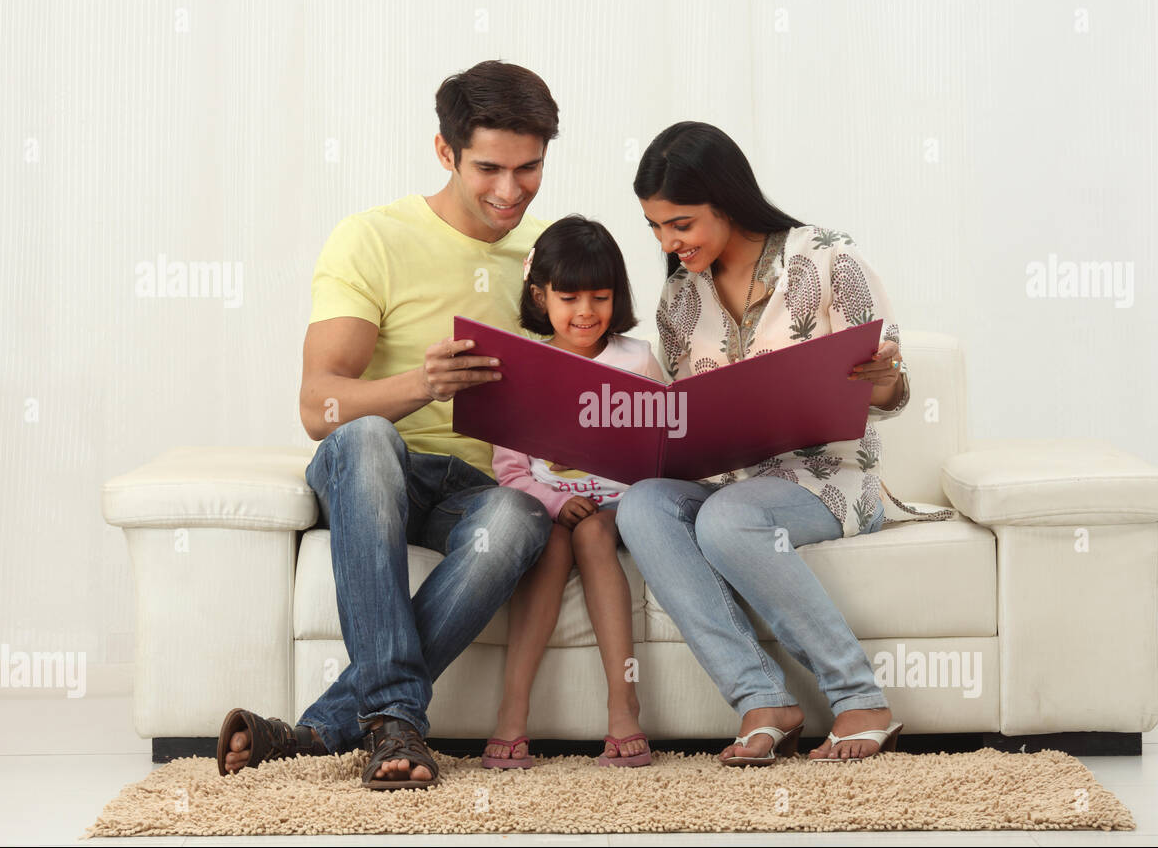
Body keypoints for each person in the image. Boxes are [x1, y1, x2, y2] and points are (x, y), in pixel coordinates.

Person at [215, 60, 562, 789]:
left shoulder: (547, 253)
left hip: (477, 484)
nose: (510, 192)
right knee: (369, 436)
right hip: (376, 466)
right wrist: (420, 385)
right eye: (489, 169)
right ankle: (394, 713)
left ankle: (335, 728)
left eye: (528, 169)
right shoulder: (371, 238)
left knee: (520, 515)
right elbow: (320, 409)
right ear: (445, 153)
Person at [616, 121, 954, 767]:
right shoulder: (679, 295)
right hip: (731, 480)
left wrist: (884, 380)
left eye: (680, 224)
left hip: (829, 481)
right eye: (656, 228)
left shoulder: (828, 258)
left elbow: (887, 393)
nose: (668, 242)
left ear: (725, 198)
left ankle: (861, 701)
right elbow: (686, 410)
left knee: (728, 518)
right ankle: (762, 700)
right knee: (643, 506)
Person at [482, 216, 663, 769]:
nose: (586, 311)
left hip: (618, 509)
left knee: (591, 534)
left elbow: (667, 446)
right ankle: (513, 713)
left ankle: (622, 704)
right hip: (552, 510)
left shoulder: (638, 359)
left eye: (600, 297)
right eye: (569, 297)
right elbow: (510, 472)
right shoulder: (522, 368)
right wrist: (557, 502)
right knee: (557, 541)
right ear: (540, 296)